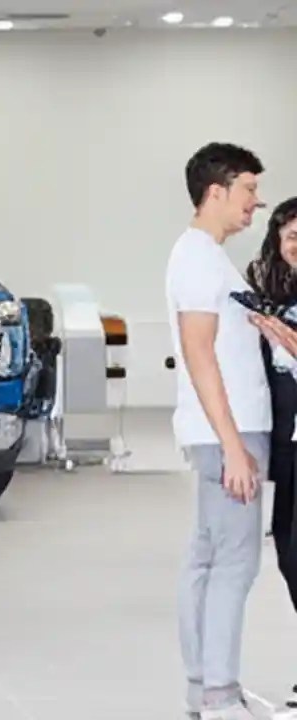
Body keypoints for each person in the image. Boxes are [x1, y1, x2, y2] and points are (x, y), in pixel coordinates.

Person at [166, 142, 270, 720]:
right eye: (248, 189)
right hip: (227, 434)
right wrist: (233, 446)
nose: (257, 201)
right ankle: (221, 697)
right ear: (216, 192)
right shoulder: (199, 259)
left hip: (221, 431)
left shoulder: (205, 256)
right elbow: (199, 352)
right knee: (234, 562)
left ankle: (203, 688)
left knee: (208, 559)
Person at [243, 197, 297, 713]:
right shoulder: (269, 289)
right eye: (293, 237)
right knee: (286, 547)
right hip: (288, 440)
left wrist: (290, 341)